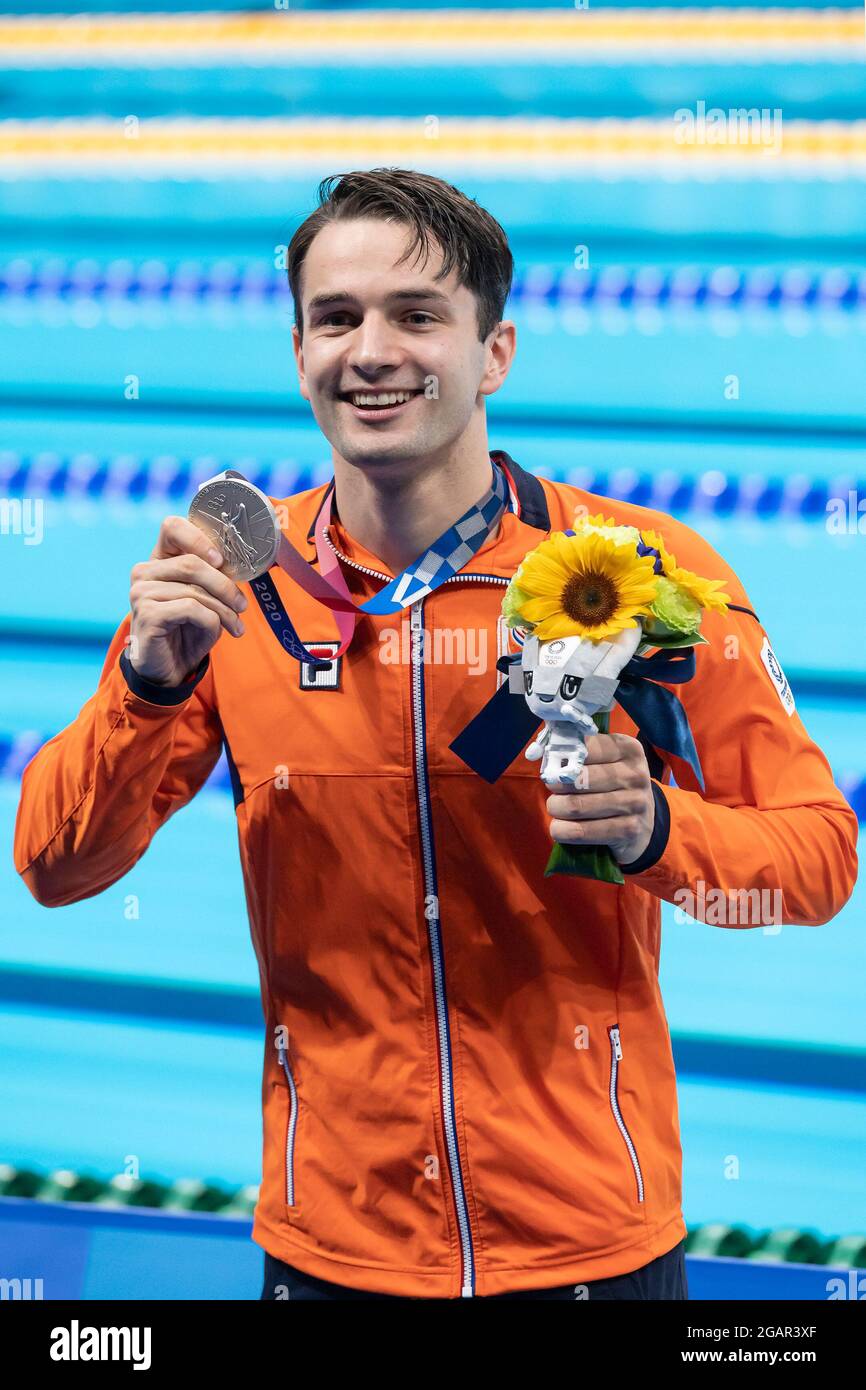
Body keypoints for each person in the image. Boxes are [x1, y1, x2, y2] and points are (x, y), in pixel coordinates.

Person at [13, 168, 858, 1301]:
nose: (372, 351)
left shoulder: (643, 573)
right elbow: (59, 868)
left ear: (492, 351)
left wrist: (660, 832)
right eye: (336, 318)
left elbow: (814, 860)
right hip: (331, 1250)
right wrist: (149, 682)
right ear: (298, 352)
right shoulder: (234, 587)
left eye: (416, 315)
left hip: (590, 1246)